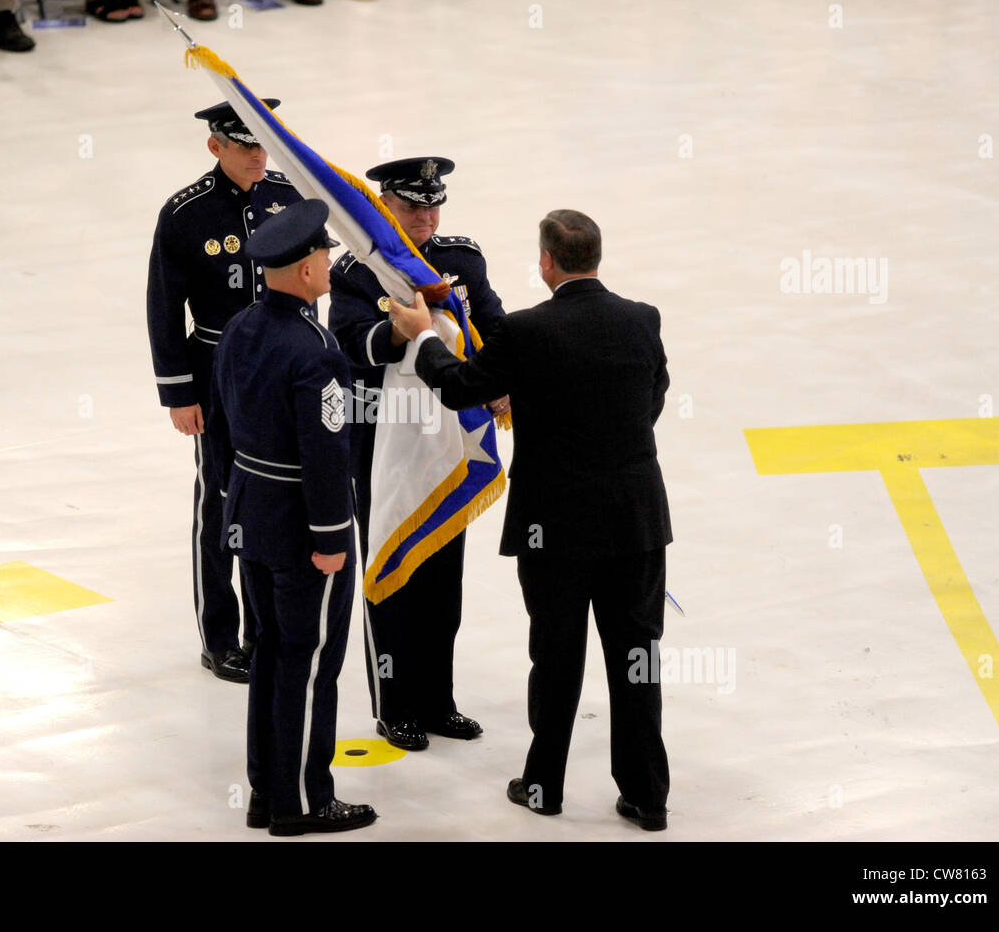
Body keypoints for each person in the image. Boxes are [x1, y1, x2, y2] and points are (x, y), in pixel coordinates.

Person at [389, 209, 673, 830]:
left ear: (546, 263)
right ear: (597, 256)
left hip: (556, 528)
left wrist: (422, 336)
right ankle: (648, 797)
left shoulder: (526, 332)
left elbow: (461, 387)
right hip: (634, 523)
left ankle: (544, 785)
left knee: (557, 657)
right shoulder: (641, 320)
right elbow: (650, 399)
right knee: (638, 659)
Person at [207, 198, 376, 836]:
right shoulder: (317, 349)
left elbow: (220, 428)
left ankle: (264, 791)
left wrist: (234, 503)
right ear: (305, 271)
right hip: (306, 529)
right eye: (324, 254)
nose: (330, 261)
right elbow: (326, 453)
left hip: (251, 515)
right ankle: (301, 802)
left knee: (273, 653)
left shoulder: (241, 327)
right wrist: (333, 536)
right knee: (309, 666)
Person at [328, 156, 507, 751]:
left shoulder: (460, 259)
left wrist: (505, 377)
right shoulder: (358, 271)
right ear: (384, 206)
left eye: (434, 204)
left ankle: (438, 699)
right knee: (393, 568)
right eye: (412, 205)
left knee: (441, 577)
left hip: (447, 438)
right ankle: (394, 704)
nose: (427, 216)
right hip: (384, 441)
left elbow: (494, 323)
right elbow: (354, 346)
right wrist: (400, 332)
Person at [146, 99, 303, 683]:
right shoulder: (186, 213)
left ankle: (275, 625)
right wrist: (178, 393)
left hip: (288, 365)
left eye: (263, 144)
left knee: (283, 491)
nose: (259, 156)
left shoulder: (288, 195)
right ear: (215, 147)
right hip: (217, 368)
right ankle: (220, 635)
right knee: (220, 498)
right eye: (245, 147)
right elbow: (164, 308)